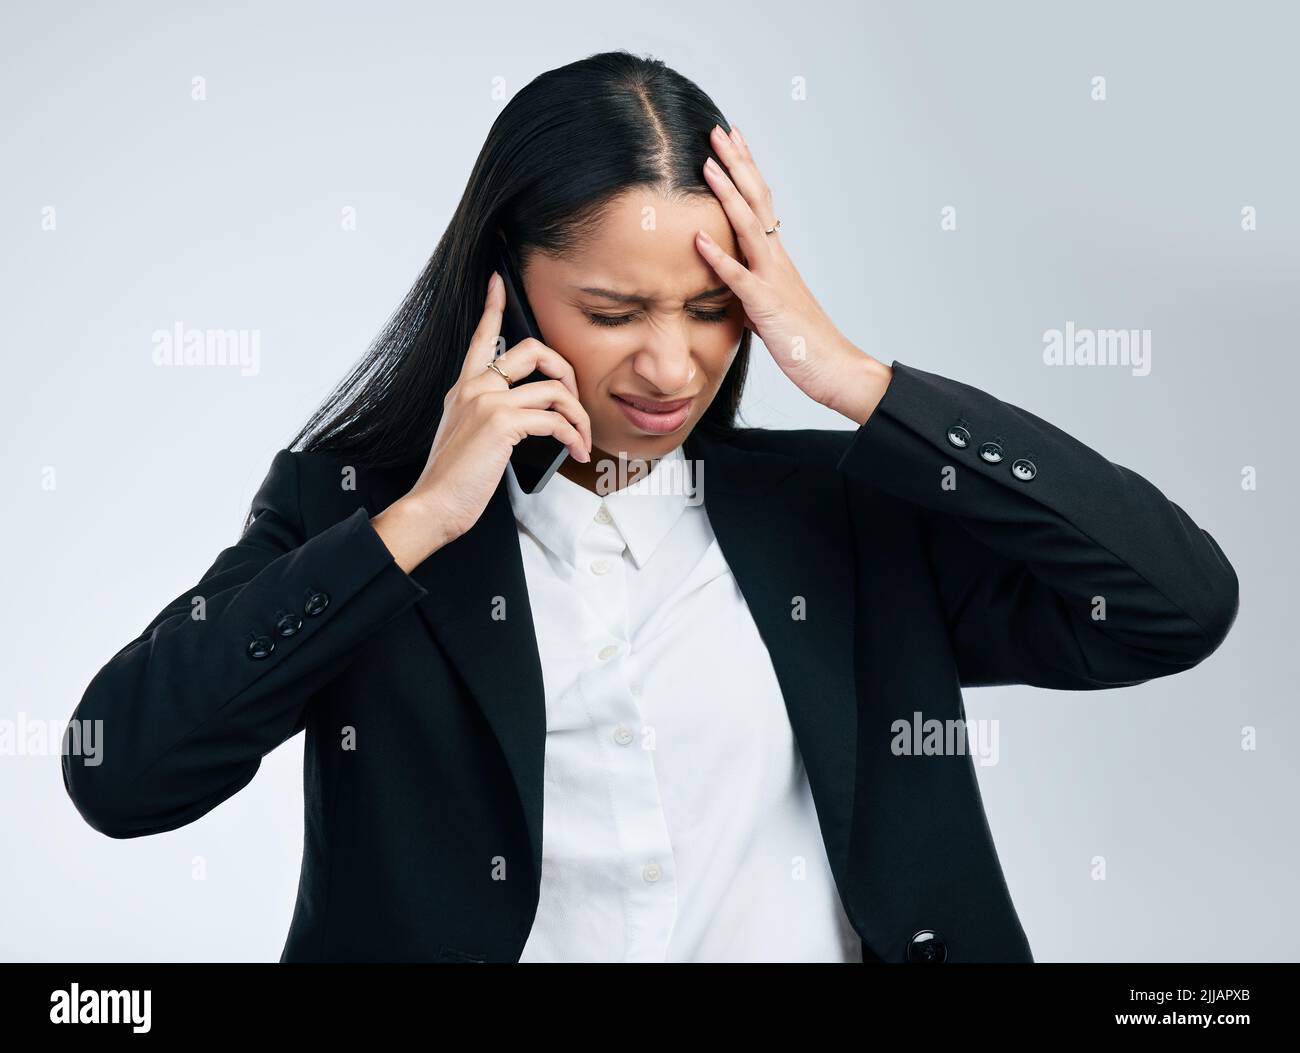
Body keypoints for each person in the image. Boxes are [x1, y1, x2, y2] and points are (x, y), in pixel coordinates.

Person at [61, 50, 1239, 963]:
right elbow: (122, 777)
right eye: (613, 313)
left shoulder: (843, 515)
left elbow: (1175, 604)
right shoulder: (359, 514)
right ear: (508, 284)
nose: (672, 368)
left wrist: (858, 382)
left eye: (712, 310)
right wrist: (416, 524)